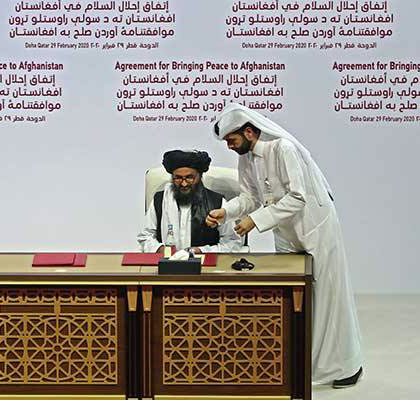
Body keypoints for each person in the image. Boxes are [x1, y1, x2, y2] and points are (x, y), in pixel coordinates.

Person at [206, 103, 363, 388]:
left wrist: (255, 221)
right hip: (286, 232)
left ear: (249, 132)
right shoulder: (246, 158)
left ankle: (346, 367)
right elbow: (251, 197)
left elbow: (298, 197)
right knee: (293, 296)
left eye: (232, 140)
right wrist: (226, 212)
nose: (229, 146)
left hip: (315, 229)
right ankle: (298, 363)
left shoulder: (283, 148)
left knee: (328, 298)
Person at [138, 149, 243, 255]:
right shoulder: (159, 200)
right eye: (178, 178)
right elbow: (145, 237)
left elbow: (232, 242)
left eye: (189, 178)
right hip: (167, 262)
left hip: (205, 263)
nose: (184, 184)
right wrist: (161, 249)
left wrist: (202, 251)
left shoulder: (217, 202)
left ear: (200, 176)